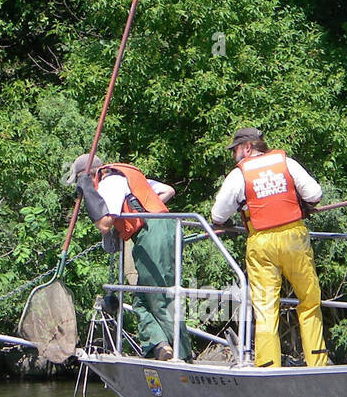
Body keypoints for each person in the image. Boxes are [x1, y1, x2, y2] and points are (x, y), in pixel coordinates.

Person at [210, 127, 329, 368]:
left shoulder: (239, 174)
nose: (233, 154)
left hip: (261, 241)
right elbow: (315, 194)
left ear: (247, 147)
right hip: (294, 238)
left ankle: (267, 366)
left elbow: (218, 214)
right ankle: (317, 363)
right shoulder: (286, 163)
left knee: (265, 307)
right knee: (309, 300)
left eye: (235, 149)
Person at [72, 153, 188, 361]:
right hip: (152, 231)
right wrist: (138, 213)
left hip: (154, 232)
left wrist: (88, 192)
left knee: (159, 297)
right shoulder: (124, 178)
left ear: (88, 177)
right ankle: (162, 346)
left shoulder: (110, 183)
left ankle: (184, 354)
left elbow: (104, 224)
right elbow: (167, 190)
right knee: (141, 299)